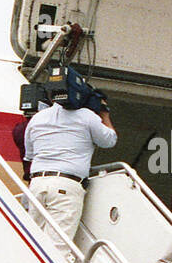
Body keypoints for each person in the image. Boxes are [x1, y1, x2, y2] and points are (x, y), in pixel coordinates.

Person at [22, 92, 116, 253]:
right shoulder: (87, 116)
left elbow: (29, 154)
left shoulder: (38, 118)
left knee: (31, 242)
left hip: (37, 183)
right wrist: (104, 113)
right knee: (58, 248)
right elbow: (110, 140)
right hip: (66, 185)